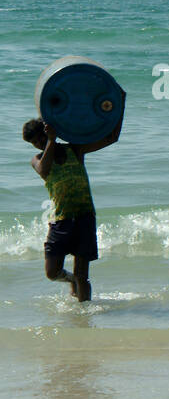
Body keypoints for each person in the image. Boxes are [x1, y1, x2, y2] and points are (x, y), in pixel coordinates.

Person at [23, 116, 120, 302]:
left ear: (47, 132)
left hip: (84, 216)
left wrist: (116, 106)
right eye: (34, 142)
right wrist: (51, 140)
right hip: (61, 219)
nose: (38, 144)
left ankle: (84, 319)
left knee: (83, 275)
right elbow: (44, 170)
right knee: (52, 272)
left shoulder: (74, 149)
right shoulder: (37, 159)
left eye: (40, 138)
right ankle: (70, 280)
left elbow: (111, 138)